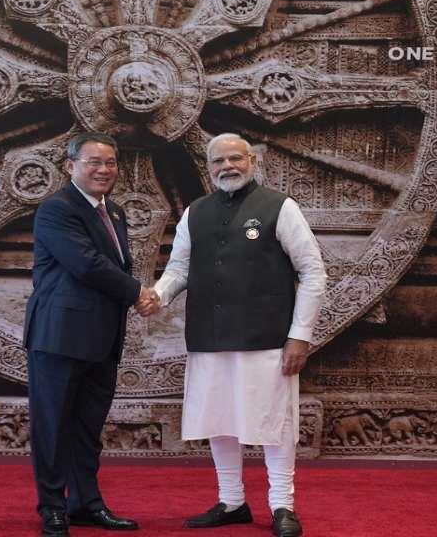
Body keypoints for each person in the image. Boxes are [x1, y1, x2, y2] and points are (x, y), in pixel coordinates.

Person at [138, 133, 327, 537]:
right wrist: (159, 294)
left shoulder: (280, 207)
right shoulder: (195, 212)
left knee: (275, 423)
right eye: (218, 161)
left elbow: (313, 272)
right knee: (219, 419)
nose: (227, 167)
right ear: (209, 168)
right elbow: (179, 269)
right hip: (208, 336)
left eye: (235, 158)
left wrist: (300, 336)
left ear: (252, 161)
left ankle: (282, 505)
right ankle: (231, 501)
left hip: (268, 338)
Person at [23, 132, 152, 536]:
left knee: (87, 429)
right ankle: (52, 507)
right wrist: (137, 293)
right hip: (59, 336)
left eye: (110, 162)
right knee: (53, 425)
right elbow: (87, 264)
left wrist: (134, 294)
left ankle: (86, 503)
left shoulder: (113, 212)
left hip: (102, 338)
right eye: (93, 161)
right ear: (70, 166)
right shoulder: (56, 209)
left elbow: (111, 265)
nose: (103, 169)